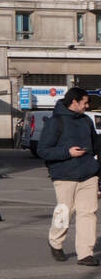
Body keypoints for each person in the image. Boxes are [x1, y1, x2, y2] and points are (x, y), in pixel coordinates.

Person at [40, 87, 101, 266]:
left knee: (88, 213)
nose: (87, 106)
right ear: (74, 102)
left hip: (88, 174)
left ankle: (85, 253)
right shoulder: (55, 122)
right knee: (65, 212)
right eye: (85, 103)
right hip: (64, 175)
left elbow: (95, 145)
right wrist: (68, 152)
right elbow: (43, 151)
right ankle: (55, 242)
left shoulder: (86, 121)